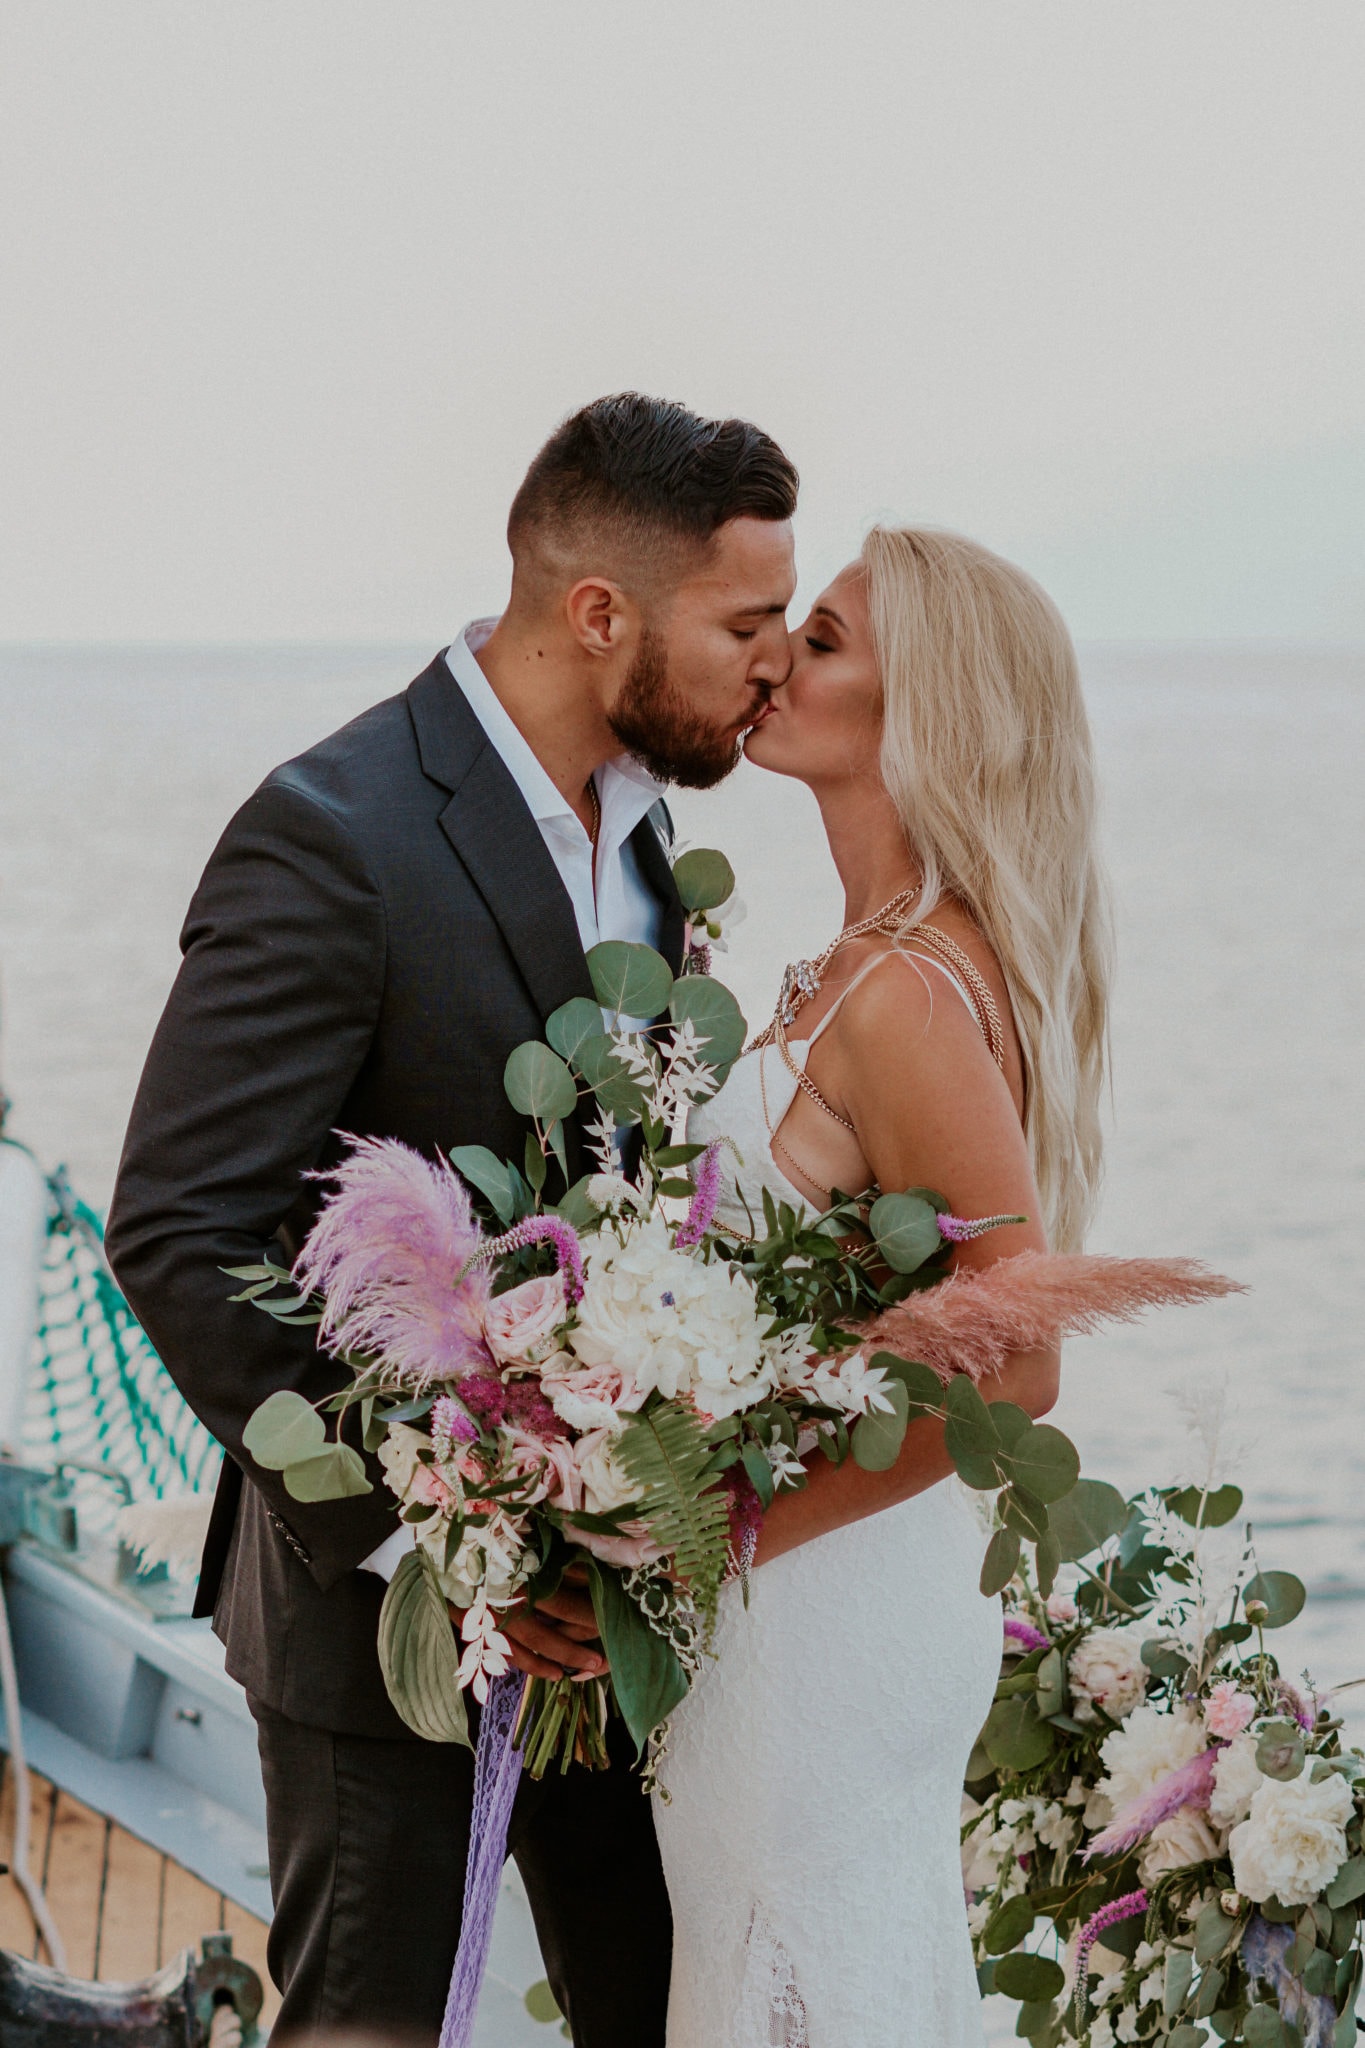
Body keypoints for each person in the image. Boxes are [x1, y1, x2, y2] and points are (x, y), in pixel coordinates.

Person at [104, 392, 799, 2045]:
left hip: (612, 1624)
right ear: (600, 612)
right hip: (374, 1619)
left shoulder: (651, 846)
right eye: (745, 621)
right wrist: (442, 1536)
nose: (768, 662)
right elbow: (186, 1228)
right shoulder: (332, 834)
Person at [658, 526, 1113, 2047]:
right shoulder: (874, 964)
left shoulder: (907, 993)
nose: (778, 653)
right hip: (819, 1587)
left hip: (817, 1609)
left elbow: (1020, 1361)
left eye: (829, 639)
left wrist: (720, 1538)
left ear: (930, 715)